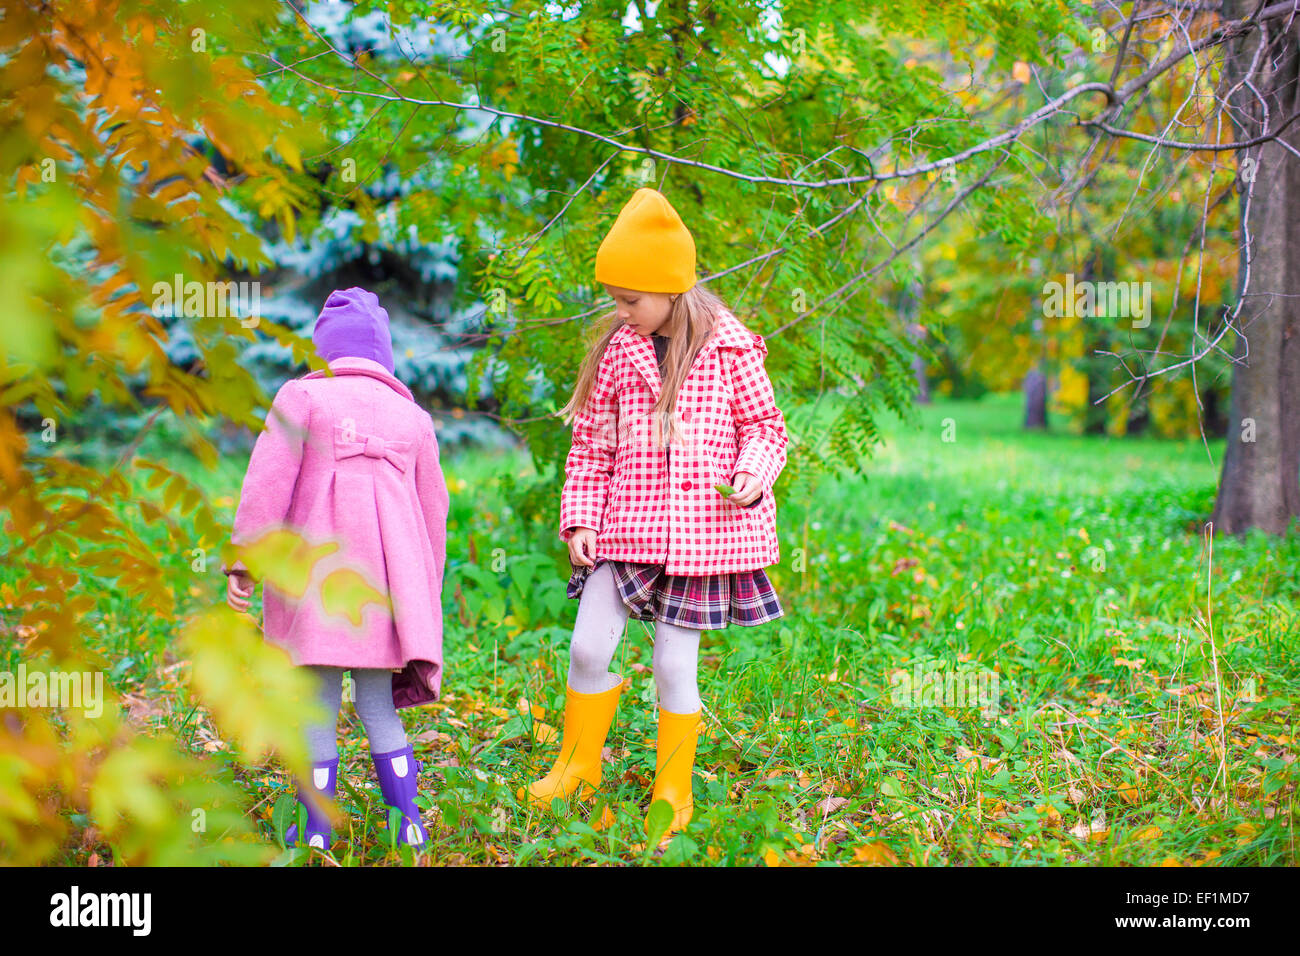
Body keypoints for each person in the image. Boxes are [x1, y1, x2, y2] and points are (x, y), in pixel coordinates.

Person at [519, 187, 788, 840]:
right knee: (587, 645)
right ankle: (577, 766)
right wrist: (581, 519)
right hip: (627, 528)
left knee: (674, 664)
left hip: (703, 539)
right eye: (615, 298)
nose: (621, 310)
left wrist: (752, 475)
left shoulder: (729, 351)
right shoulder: (620, 352)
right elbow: (590, 445)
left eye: (630, 298)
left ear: (670, 289)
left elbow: (766, 427)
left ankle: (673, 787)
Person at [223, 287, 450, 851]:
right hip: (386, 600)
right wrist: (425, 592)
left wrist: (247, 562)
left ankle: (318, 831)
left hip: (317, 592)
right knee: (378, 708)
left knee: (316, 705)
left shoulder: (302, 399)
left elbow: (266, 487)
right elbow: (434, 515)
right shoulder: (413, 418)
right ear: (385, 358)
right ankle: (408, 824)